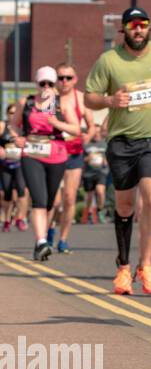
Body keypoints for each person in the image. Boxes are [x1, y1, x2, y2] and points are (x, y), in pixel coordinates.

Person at [84, 7, 151, 294]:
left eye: (143, 24)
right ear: (124, 30)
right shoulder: (109, 61)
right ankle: (123, 266)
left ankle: (146, 265)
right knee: (125, 205)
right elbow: (89, 97)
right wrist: (109, 100)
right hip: (121, 141)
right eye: (133, 25)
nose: (138, 29)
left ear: (149, 27)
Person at [9, 66, 79, 260]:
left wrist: (56, 123)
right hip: (31, 153)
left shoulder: (61, 104)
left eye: (50, 83)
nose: (46, 87)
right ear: (37, 84)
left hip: (56, 154)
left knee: (49, 202)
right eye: (43, 83)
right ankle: (41, 241)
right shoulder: (27, 102)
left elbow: (76, 129)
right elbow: (14, 123)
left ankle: (41, 242)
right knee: (38, 199)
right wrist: (17, 137)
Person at [51, 63, 95, 253]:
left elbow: (91, 125)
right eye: (61, 78)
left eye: (68, 78)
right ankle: (49, 232)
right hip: (53, 152)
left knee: (69, 198)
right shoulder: (50, 98)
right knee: (54, 200)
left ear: (75, 79)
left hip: (74, 152)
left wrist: (88, 135)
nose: (64, 82)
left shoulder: (81, 99)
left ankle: (63, 239)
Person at [1, 109, 29, 231]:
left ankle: (20, 218)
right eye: (11, 113)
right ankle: (7, 220)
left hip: (20, 164)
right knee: (6, 193)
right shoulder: (2, 126)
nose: (13, 114)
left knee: (22, 190)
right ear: (7, 114)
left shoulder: (24, 127)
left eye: (15, 112)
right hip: (5, 164)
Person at [80, 137, 109, 224]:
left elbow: (110, 156)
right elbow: (81, 159)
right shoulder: (86, 145)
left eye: (98, 132)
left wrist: (106, 160)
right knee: (90, 195)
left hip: (101, 172)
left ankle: (100, 210)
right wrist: (88, 158)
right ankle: (88, 213)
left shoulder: (104, 144)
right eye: (94, 133)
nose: (96, 135)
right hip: (88, 173)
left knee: (100, 191)